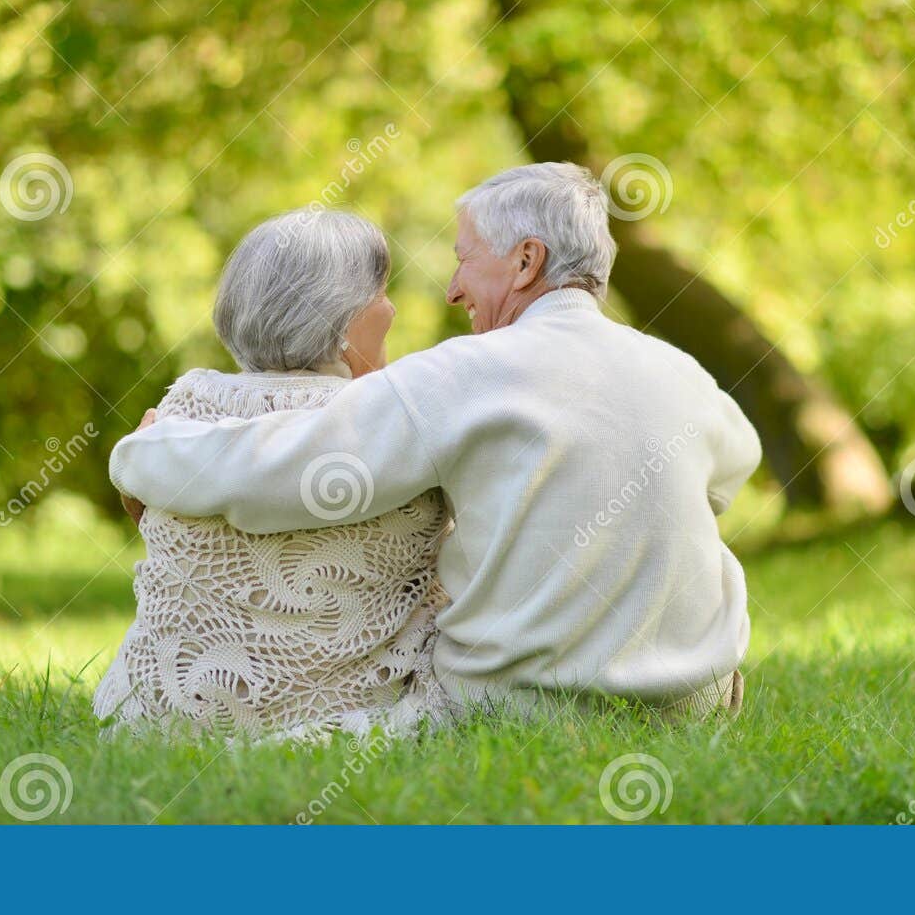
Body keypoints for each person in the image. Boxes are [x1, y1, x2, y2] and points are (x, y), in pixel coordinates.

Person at [111, 162, 761, 719]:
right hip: (693, 704)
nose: (452, 290)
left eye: (463, 260)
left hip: (520, 705)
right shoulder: (687, 378)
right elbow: (737, 464)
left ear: (526, 260)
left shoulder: (463, 375)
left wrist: (140, 453)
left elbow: (277, 468)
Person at [95, 208, 454, 739]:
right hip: (341, 713)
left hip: (161, 712)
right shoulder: (389, 422)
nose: (392, 307)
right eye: (380, 292)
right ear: (342, 320)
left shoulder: (186, 406)